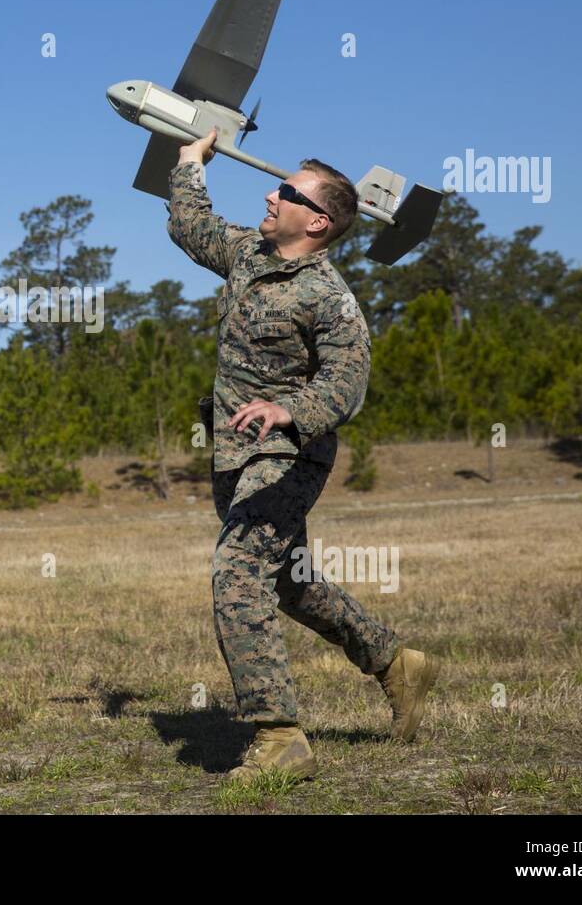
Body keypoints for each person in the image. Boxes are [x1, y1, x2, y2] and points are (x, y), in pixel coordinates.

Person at [167, 128, 441, 782]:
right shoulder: (248, 255)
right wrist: (187, 162)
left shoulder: (326, 294)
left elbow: (348, 378)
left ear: (317, 221)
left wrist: (293, 410)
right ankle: (393, 661)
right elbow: (190, 225)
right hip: (236, 455)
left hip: (290, 453)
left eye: (286, 190)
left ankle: (280, 736)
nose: (269, 192)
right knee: (288, 581)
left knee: (237, 572)